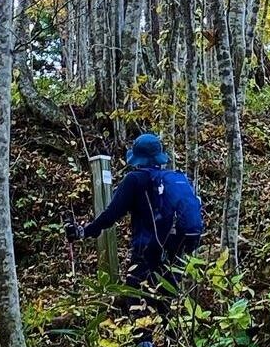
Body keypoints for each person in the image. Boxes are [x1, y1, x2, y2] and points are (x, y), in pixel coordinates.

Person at [65, 132, 203, 312]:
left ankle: (145, 340)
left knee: (136, 301)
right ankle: (170, 339)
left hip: (145, 253)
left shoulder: (134, 180)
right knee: (167, 306)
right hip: (173, 254)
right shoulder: (174, 179)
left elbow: (110, 215)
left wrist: (85, 231)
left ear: (137, 158)